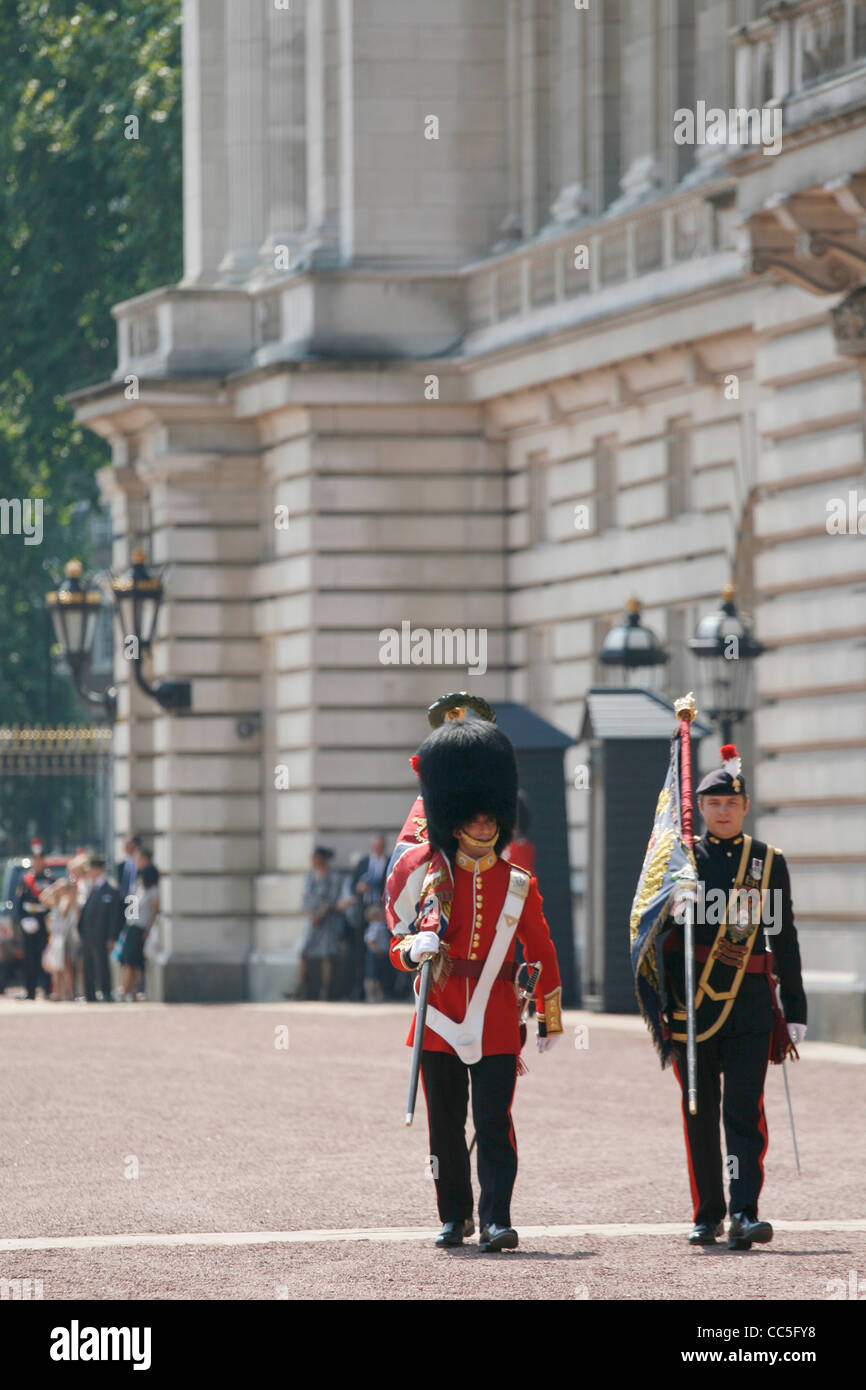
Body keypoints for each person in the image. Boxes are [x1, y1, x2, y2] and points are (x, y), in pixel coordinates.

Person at [388, 713, 563, 1253]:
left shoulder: (517, 883)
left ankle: (496, 1218)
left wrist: (550, 1015)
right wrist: (411, 950)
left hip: (495, 1019)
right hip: (438, 1015)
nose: (485, 825)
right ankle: (453, 1215)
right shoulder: (429, 875)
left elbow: (541, 947)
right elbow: (399, 943)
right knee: (445, 1126)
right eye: (476, 817)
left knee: (492, 1122)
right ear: (455, 816)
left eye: (492, 819)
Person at [666, 743, 807, 1250]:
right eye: (713, 804)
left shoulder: (767, 862)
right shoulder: (680, 860)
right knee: (699, 1112)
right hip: (692, 1003)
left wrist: (795, 1007)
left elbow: (784, 937)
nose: (723, 811)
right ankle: (709, 1213)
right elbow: (652, 938)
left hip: (748, 1004)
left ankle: (746, 1211)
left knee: (744, 1111)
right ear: (701, 808)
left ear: (745, 808)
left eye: (732, 804)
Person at [76, 854, 125, 1002]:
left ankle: (106, 992)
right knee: (89, 965)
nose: (88, 873)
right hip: (89, 934)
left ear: (97, 870)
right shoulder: (93, 889)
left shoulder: (110, 889)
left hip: (102, 935)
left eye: (90, 869)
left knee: (102, 964)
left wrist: (112, 936)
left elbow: (115, 916)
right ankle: (89, 994)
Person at [297, 847, 342, 1000]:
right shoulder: (310, 875)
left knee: (326, 954)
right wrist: (311, 914)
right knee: (303, 952)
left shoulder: (333, 876)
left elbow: (333, 897)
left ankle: (325, 990)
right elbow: (305, 897)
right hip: (312, 920)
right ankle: (301, 988)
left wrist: (321, 914)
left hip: (327, 920)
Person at [14, 839, 55, 1000]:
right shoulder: (25, 880)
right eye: (35, 859)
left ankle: (47, 990)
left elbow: (52, 903)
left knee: (46, 957)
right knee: (29, 958)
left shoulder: (49, 879)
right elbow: (19, 903)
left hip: (44, 921)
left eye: (40, 859)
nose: (38, 863)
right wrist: (23, 919)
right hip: (29, 921)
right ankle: (30, 991)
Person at [119, 862, 159, 1001]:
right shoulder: (141, 888)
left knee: (131, 961)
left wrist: (148, 929)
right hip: (132, 927)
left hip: (141, 929)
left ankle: (125, 991)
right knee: (128, 961)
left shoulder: (154, 891)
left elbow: (154, 912)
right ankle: (132, 991)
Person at [41, 877, 81, 1001]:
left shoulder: (66, 900)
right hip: (57, 936)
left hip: (66, 936)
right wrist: (53, 888)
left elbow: (64, 912)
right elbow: (42, 898)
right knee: (57, 967)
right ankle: (58, 992)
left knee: (66, 965)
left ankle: (69, 992)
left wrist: (63, 893)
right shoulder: (57, 900)